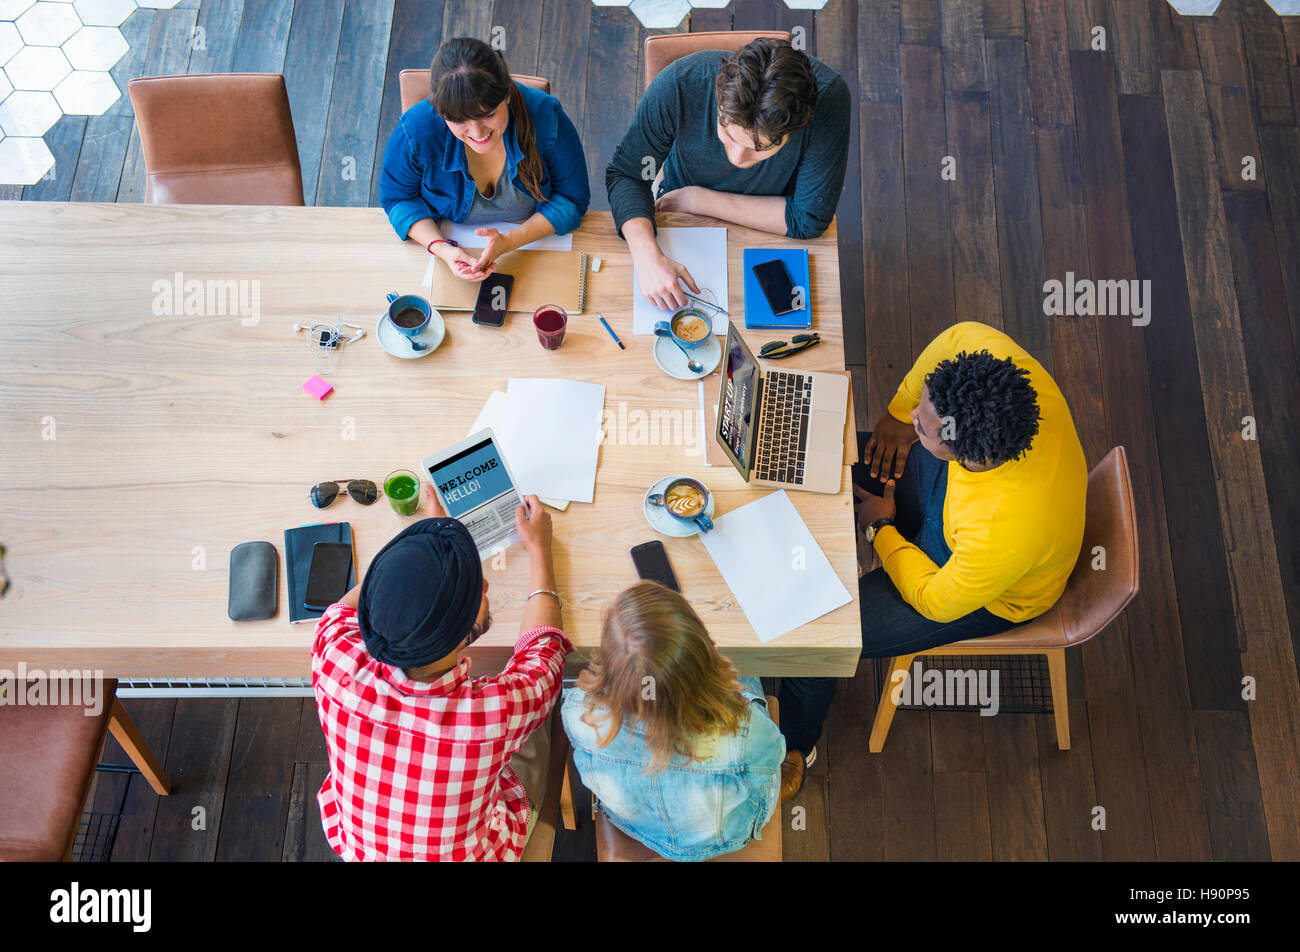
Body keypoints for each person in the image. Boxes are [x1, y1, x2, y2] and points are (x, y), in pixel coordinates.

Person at [778, 322, 1088, 800]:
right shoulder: (993, 366)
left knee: (816, 640)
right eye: (923, 406)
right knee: (813, 455)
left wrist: (880, 529)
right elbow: (952, 338)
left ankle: (797, 745)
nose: (913, 424)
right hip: (950, 495)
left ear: (969, 456)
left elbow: (934, 598)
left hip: (976, 585)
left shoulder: (1005, 525)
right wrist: (901, 416)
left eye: (922, 428)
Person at [311, 483, 570, 861]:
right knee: (543, 717)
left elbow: (357, 602)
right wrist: (539, 550)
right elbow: (544, 650)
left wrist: (421, 553)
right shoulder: (491, 716)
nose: (484, 584)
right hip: (479, 851)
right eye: (476, 589)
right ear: (467, 629)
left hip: (360, 848)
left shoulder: (334, 654)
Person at [605, 37, 850, 310]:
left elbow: (807, 219)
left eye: (759, 149)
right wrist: (647, 257)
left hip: (766, 222)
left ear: (795, 129)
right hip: (680, 211)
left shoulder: (828, 101)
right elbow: (628, 174)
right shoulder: (679, 84)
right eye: (728, 135)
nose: (736, 158)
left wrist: (698, 199)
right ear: (720, 100)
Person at [563, 581, 786, 861]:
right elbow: (771, 759)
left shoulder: (578, 712)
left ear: (608, 662)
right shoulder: (744, 732)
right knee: (745, 680)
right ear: (702, 651)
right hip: (727, 836)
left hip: (635, 827)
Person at [379, 36, 590, 281]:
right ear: (439, 111)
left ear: (507, 95)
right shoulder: (415, 130)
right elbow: (397, 199)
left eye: (488, 115)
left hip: (533, 246)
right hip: (444, 255)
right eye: (458, 121)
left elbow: (572, 198)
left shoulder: (547, 116)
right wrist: (443, 249)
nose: (478, 134)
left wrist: (510, 241)